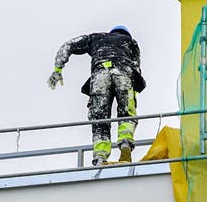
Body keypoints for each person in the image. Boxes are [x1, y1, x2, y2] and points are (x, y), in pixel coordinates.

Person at [47, 26, 146, 166]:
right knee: (126, 113)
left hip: (100, 75)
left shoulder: (96, 38)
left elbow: (68, 45)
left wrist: (58, 69)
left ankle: (100, 156)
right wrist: (132, 95)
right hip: (123, 72)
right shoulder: (130, 42)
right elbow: (136, 69)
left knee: (100, 119)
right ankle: (125, 144)